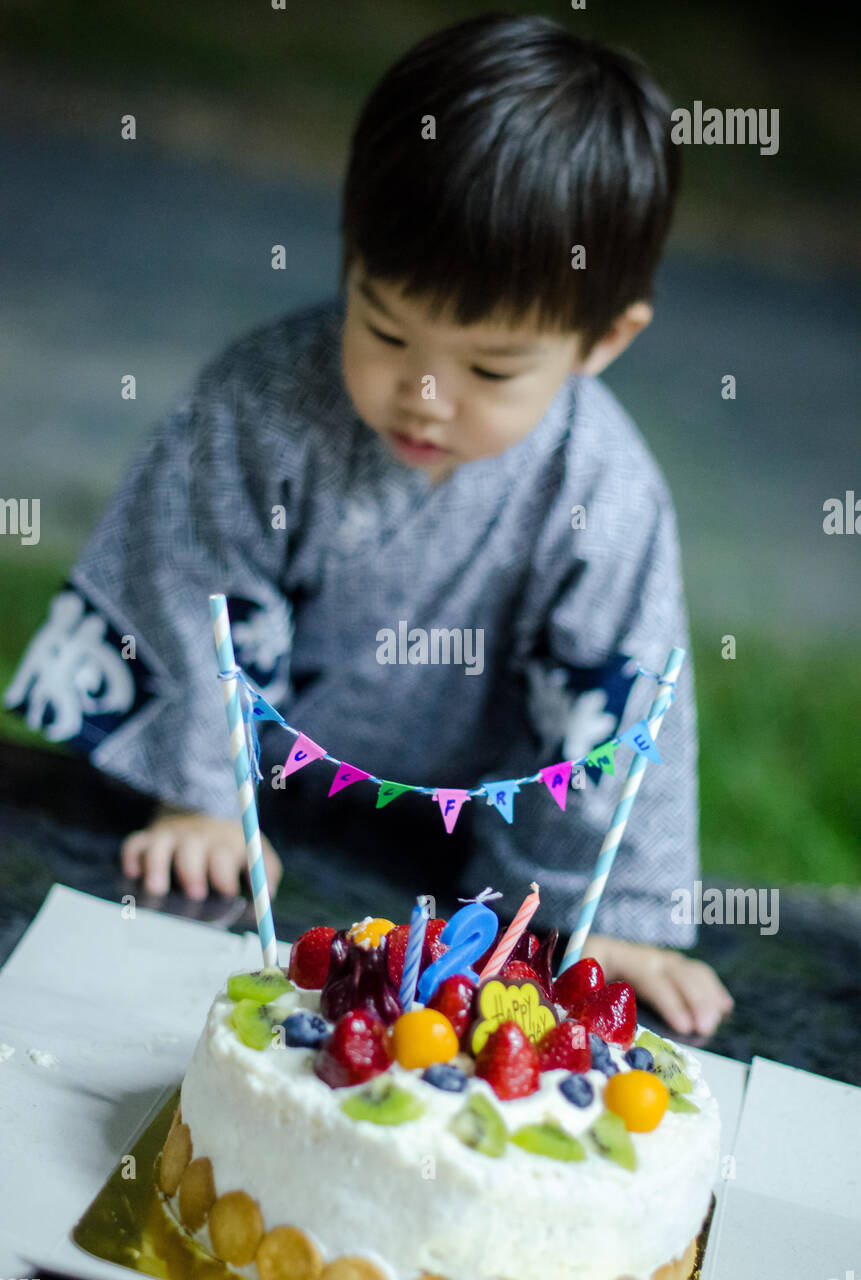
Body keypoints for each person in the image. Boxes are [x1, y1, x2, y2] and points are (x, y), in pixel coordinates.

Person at [5, 15, 732, 1037]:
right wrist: (205, 803)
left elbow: (617, 700)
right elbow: (190, 585)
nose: (424, 394)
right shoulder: (261, 409)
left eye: (490, 369)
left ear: (601, 339)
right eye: (386, 329)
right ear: (350, 260)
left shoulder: (603, 487)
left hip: (464, 825)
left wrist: (599, 916)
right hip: (263, 787)